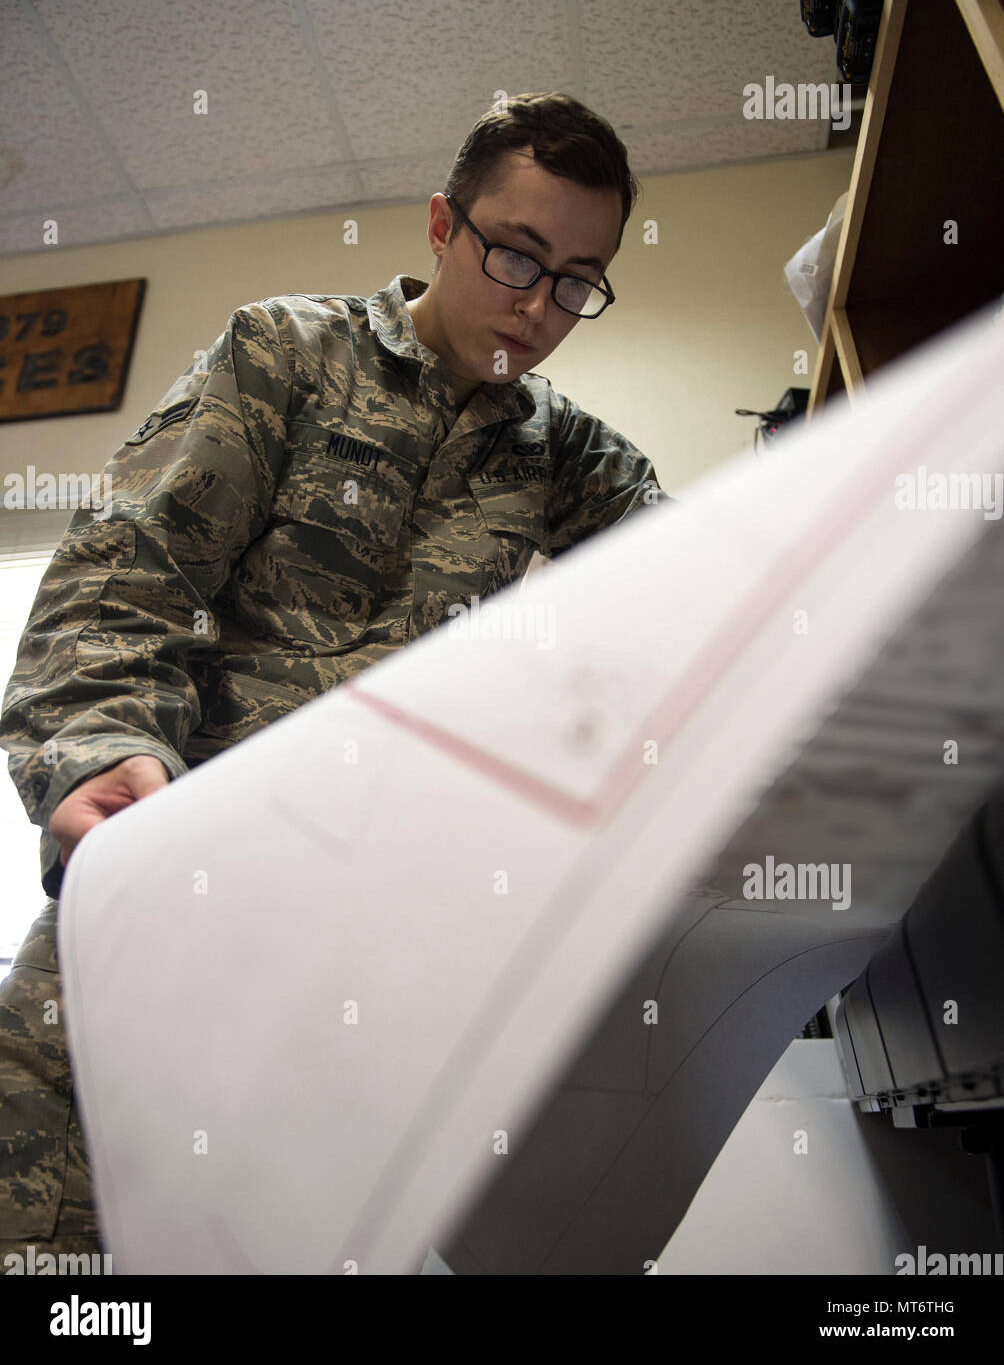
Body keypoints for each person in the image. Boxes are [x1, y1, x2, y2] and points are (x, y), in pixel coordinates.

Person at [0, 90, 671, 1266]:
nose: (536, 304)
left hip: (365, 948)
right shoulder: (287, 354)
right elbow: (124, 578)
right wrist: (101, 747)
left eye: (577, 278)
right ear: (438, 225)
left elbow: (706, 577)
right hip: (171, 882)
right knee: (59, 1247)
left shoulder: (564, 453)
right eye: (514, 253)